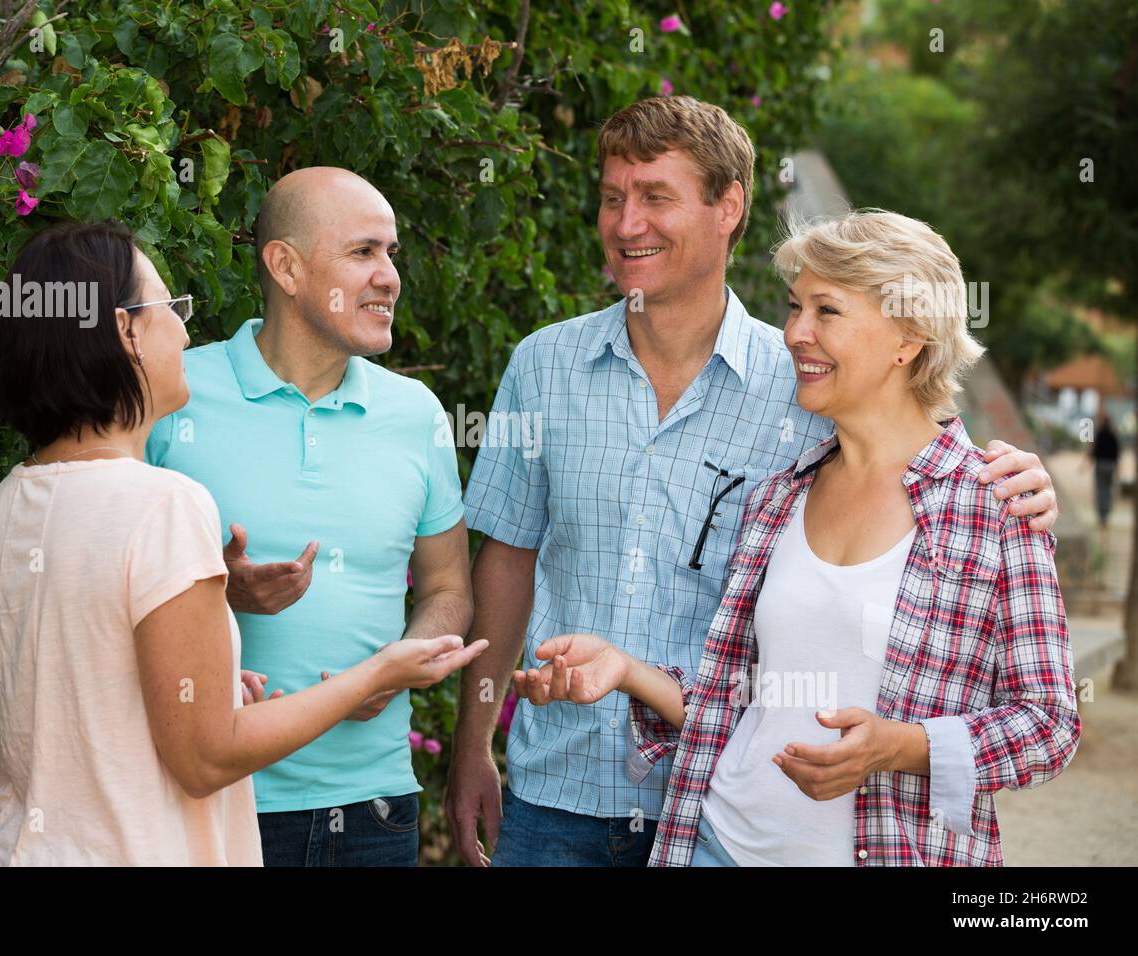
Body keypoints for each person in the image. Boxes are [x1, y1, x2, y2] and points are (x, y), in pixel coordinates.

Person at [447, 96, 1062, 868]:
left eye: (656, 197)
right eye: (612, 198)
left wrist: (1009, 477)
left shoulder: (810, 386)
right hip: (565, 791)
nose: (626, 222)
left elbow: (914, 439)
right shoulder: (544, 366)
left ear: (728, 207)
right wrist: (472, 743)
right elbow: (507, 559)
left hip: (704, 797)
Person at [0, 220, 485, 866]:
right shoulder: (164, 505)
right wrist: (377, 674)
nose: (184, 329)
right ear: (125, 332)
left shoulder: (4, 509)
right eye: (170, 309)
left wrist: (208, 695)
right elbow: (207, 756)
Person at [146, 168, 474, 866]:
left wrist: (389, 669)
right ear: (286, 266)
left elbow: (449, 592)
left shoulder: (415, 415)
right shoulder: (173, 393)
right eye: (363, 252)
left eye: (391, 254)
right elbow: (100, 586)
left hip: (375, 811)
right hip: (214, 801)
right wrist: (218, 591)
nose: (389, 275)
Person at [1091, 410, 1120, 528]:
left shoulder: (1099, 434)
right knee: (1107, 491)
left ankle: (1101, 516)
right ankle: (1106, 516)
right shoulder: (1114, 435)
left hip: (1100, 465)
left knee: (1100, 490)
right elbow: (1118, 453)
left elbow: (1094, 450)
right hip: (1110, 466)